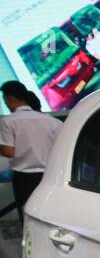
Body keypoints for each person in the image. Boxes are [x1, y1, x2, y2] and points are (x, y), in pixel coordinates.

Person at [0, 81, 62, 220]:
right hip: (51, 175)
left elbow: (9, 152)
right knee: (51, 214)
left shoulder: (8, 121)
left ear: (10, 98)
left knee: (29, 217)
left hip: (24, 178)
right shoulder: (53, 121)